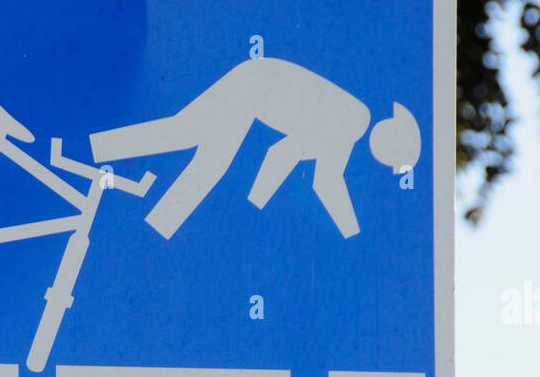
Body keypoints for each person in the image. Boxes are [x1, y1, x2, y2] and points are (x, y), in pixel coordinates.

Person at [90, 57, 420, 240]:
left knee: (194, 147)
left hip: (253, 87)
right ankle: (96, 154)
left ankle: (150, 230)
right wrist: (352, 235)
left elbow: (285, 154)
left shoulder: (350, 123)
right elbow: (324, 178)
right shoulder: (352, 122)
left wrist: (255, 206)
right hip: (251, 90)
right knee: (197, 149)